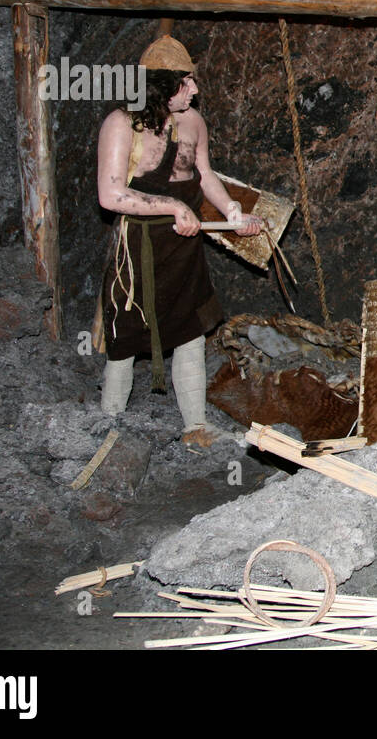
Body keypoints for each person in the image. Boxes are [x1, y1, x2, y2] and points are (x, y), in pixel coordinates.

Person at [96, 35, 263, 447]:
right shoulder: (121, 125)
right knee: (125, 336)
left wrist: (232, 212)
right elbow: (111, 195)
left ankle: (195, 427)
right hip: (138, 251)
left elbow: (204, 175)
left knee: (190, 330)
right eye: (185, 82)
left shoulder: (193, 122)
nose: (195, 90)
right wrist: (171, 206)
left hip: (183, 247)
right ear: (159, 85)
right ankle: (106, 427)